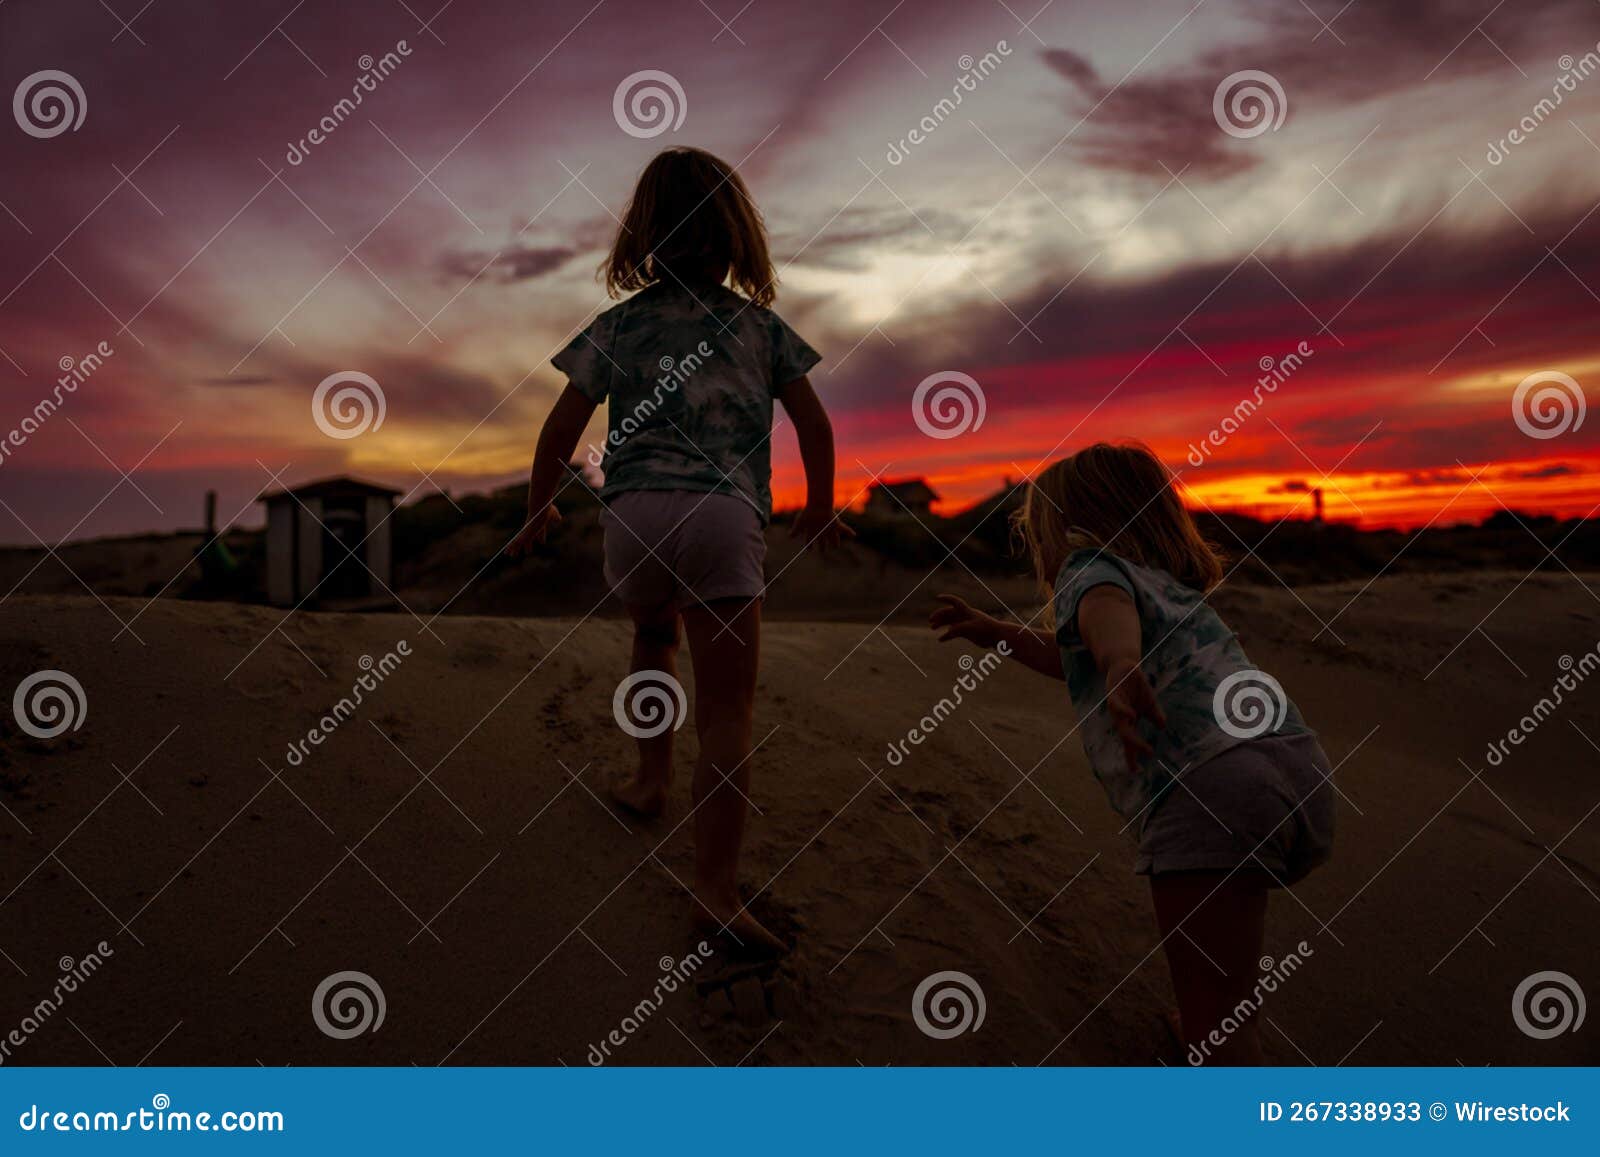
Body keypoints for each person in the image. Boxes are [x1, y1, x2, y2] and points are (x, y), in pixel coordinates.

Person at [509, 146, 848, 955]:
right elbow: (814, 424)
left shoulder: (621, 323)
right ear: (738, 237)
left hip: (633, 515)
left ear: (646, 236)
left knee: (650, 637)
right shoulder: (759, 327)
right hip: (722, 518)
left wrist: (539, 507)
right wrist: (821, 507)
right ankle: (717, 890)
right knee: (728, 710)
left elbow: (561, 427)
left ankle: (649, 778)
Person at [930, 442, 1333, 1063]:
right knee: (1228, 984)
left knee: (1216, 1014)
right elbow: (1078, 655)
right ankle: (1214, 1024)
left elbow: (1105, 625)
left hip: (1205, 787)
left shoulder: (1088, 571)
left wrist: (1121, 665)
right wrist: (1000, 634)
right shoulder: (1168, 587)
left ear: (1064, 528)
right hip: (1289, 763)